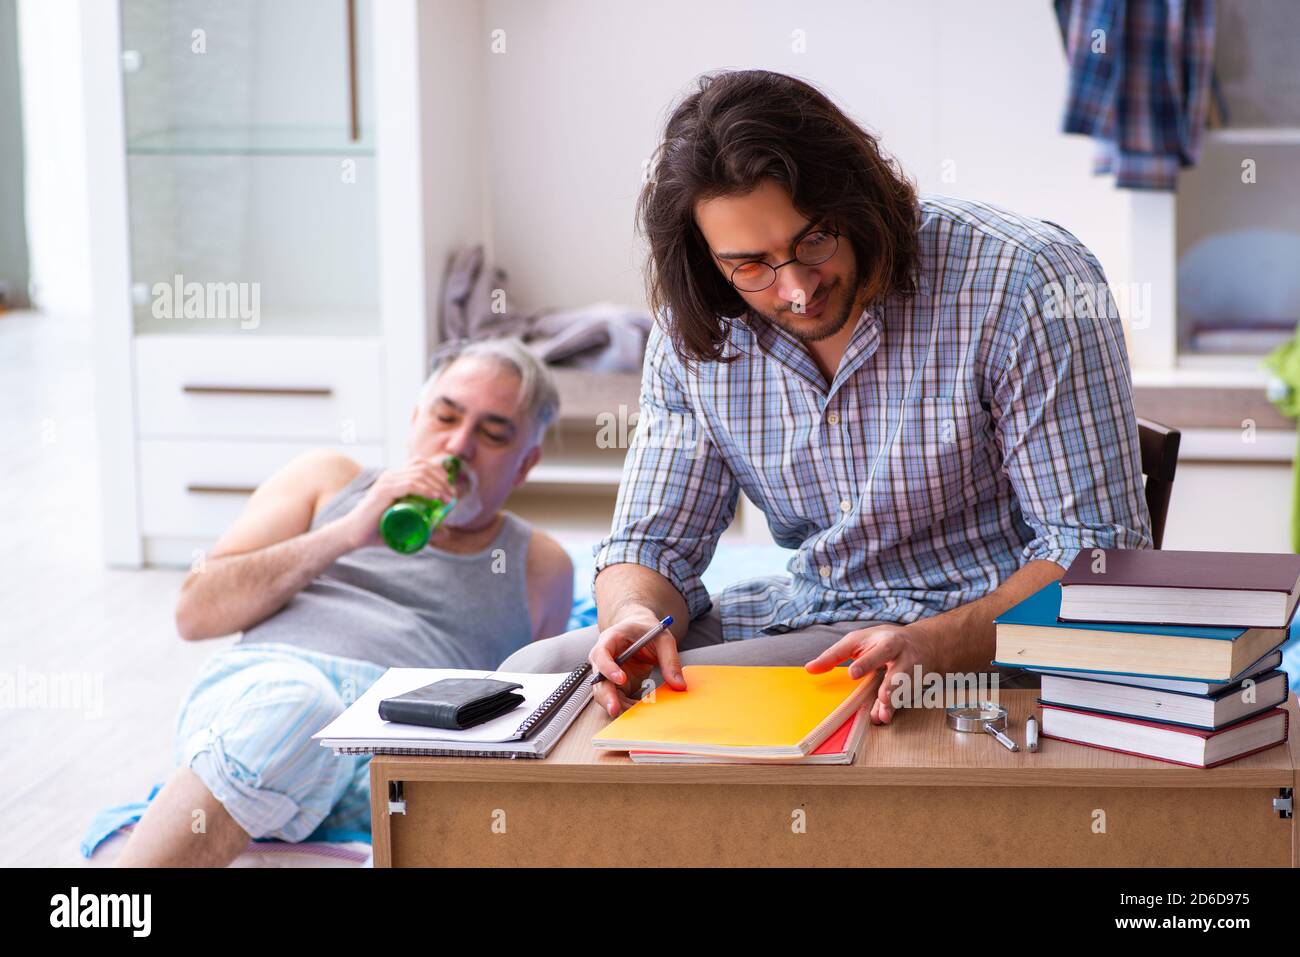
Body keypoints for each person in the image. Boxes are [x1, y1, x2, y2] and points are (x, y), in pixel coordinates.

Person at [501, 69, 1151, 723]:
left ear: (859, 195)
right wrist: (632, 617)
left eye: (814, 240)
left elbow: (1100, 552)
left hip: (982, 637)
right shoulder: (699, 324)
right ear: (709, 262)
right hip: (810, 617)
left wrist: (939, 643)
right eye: (751, 264)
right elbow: (652, 544)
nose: (798, 290)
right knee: (533, 678)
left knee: (673, 700)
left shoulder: (1026, 279)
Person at [116, 337, 574, 866]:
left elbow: (532, 717)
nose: (458, 447)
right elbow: (195, 612)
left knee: (444, 813)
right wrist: (347, 533)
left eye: (493, 434)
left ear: (524, 465)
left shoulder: (540, 564)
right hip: (271, 701)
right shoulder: (326, 479)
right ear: (413, 419)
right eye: (445, 417)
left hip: (403, 737)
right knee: (298, 707)